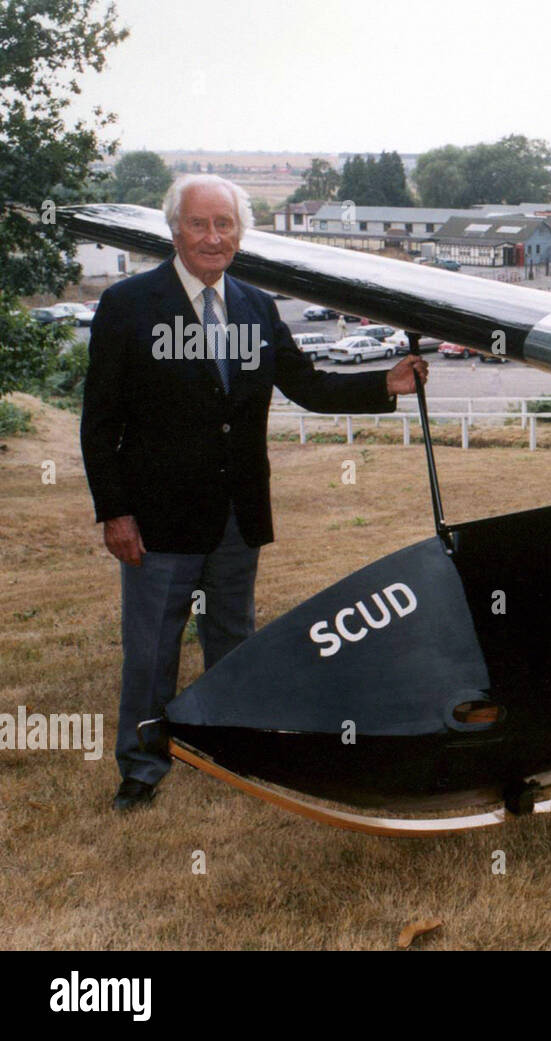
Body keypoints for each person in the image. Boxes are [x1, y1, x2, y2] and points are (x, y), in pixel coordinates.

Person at [80, 174, 429, 812]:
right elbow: (99, 422)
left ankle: (229, 750)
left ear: (240, 233)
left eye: (225, 225)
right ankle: (142, 767)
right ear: (175, 230)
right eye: (199, 224)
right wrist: (115, 513)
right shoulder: (128, 304)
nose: (213, 237)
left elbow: (309, 386)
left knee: (233, 639)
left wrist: (386, 383)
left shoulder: (256, 306)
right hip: (157, 520)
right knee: (151, 651)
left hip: (237, 516)